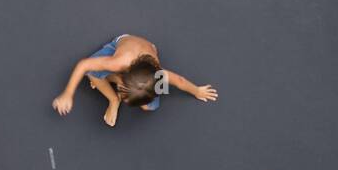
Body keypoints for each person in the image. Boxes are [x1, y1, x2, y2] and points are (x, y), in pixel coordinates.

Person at [51, 33, 218, 127]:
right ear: (124, 77)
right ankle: (112, 98)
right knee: (91, 73)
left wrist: (197, 91)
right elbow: (83, 64)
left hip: (148, 51)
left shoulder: (158, 74)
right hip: (122, 44)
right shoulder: (117, 63)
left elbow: (180, 81)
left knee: (149, 107)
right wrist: (67, 93)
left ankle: (109, 80)